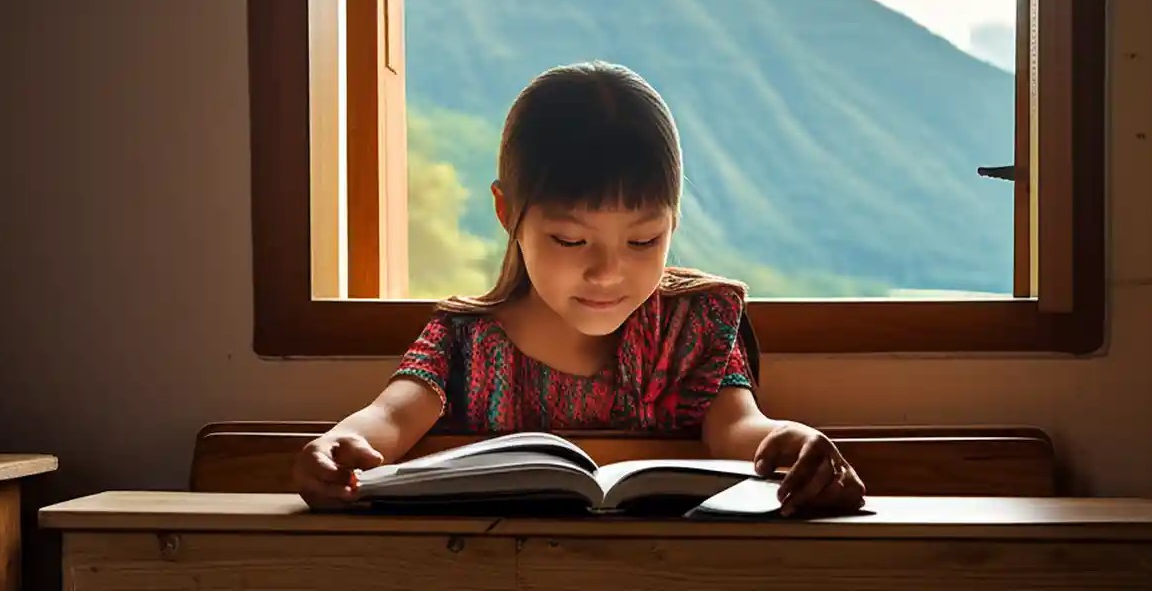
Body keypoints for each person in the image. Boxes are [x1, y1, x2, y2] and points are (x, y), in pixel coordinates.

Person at [295, 61, 866, 516]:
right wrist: (335, 449)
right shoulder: (462, 342)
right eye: (570, 240)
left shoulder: (694, 327)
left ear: (673, 221)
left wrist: (790, 442)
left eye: (643, 241)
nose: (607, 273)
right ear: (506, 211)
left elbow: (739, 426)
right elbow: (389, 419)